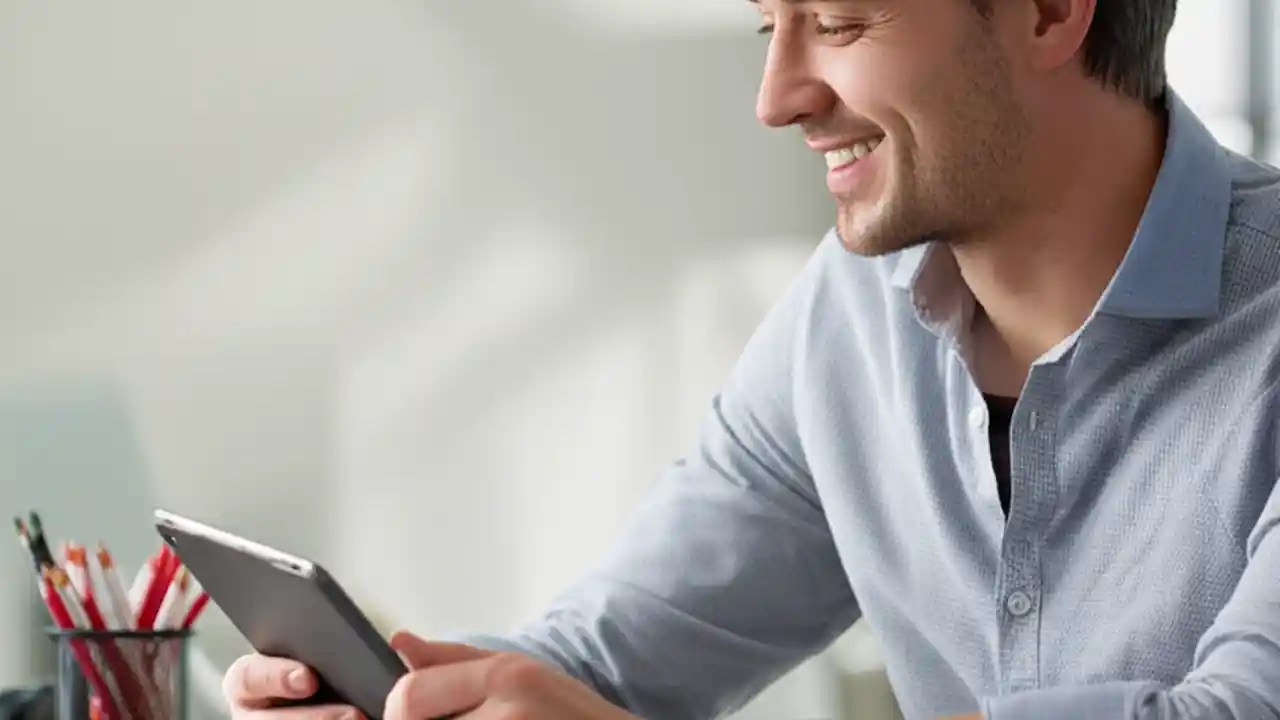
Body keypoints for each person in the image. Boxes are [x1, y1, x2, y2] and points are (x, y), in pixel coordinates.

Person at [223, 0, 1280, 718]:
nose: (776, 99)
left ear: (1048, 11)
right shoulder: (851, 315)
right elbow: (613, 661)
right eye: (771, 26)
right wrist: (408, 695)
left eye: (838, 24)